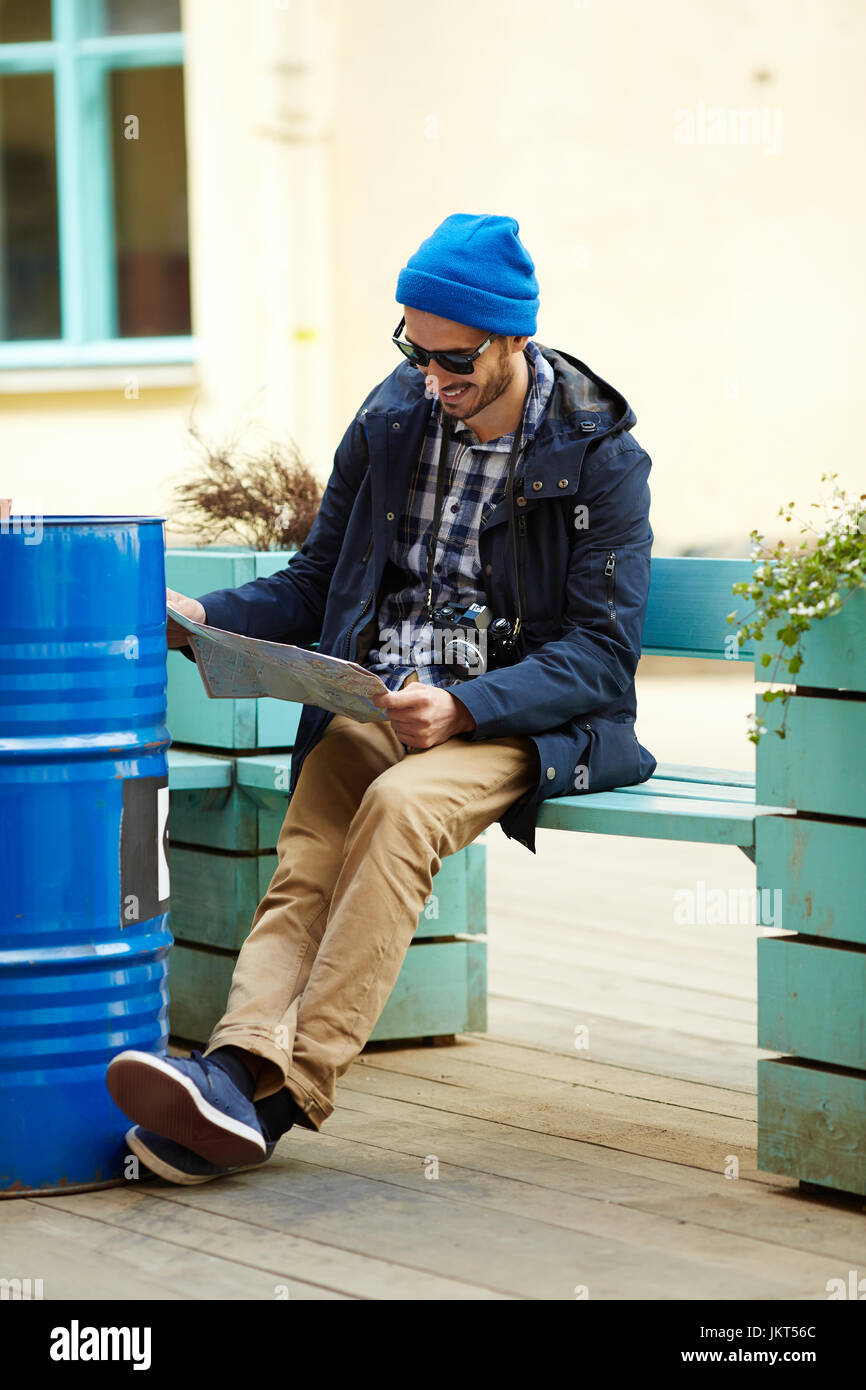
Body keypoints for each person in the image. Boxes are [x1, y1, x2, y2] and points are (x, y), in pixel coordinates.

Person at [106, 213, 656, 1185]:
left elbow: (602, 656)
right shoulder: (395, 415)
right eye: (414, 350)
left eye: (453, 360)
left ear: (512, 338)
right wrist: (206, 616)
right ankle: (232, 1071)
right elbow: (317, 580)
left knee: (398, 811)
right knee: (310, 848)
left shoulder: (597, 451)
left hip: (512, 717)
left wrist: (466, 706)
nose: (431, 380)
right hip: (378, 701)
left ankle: (280, 1090)